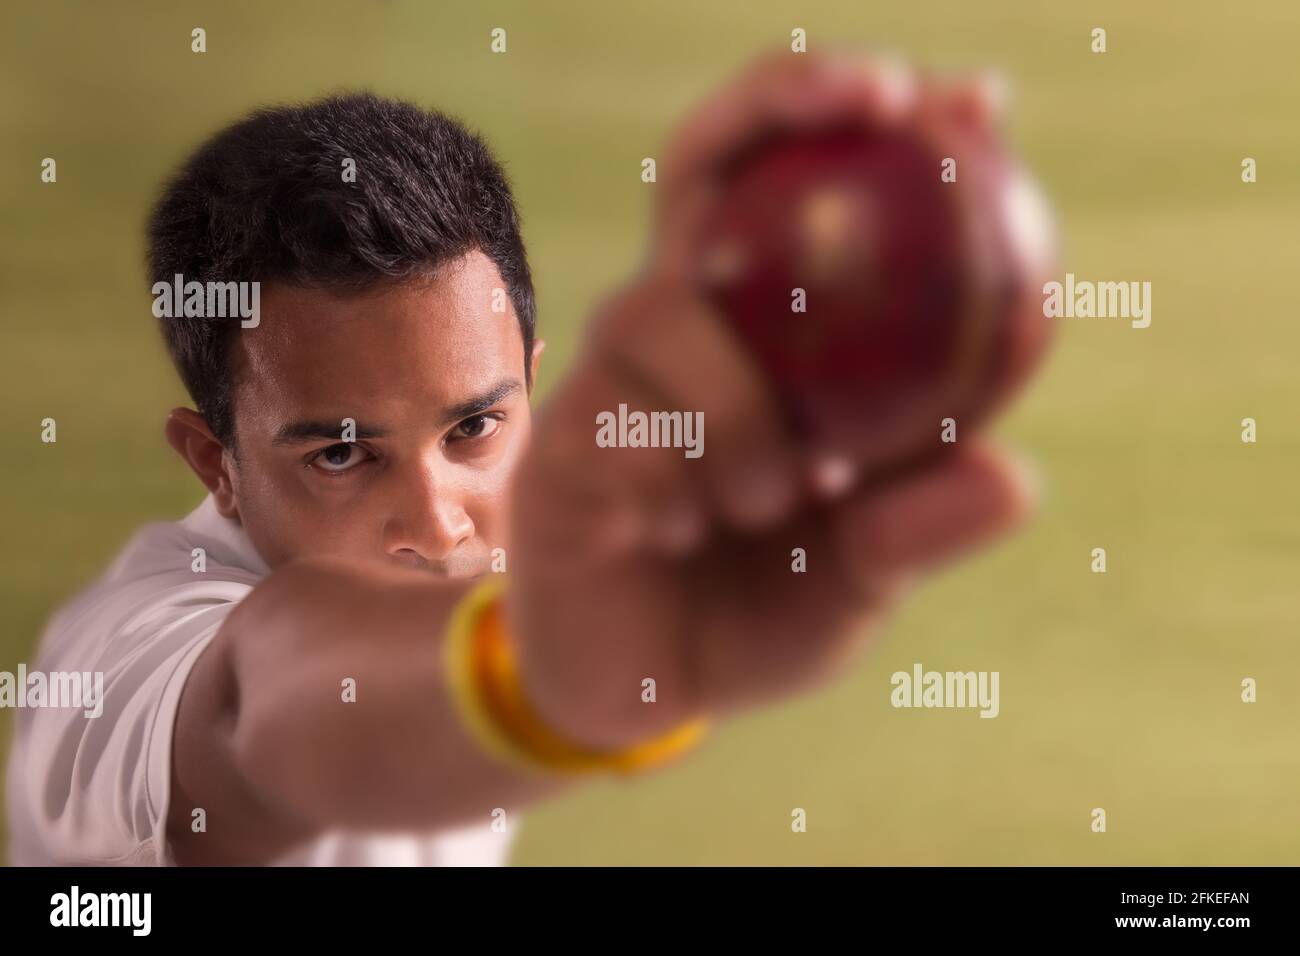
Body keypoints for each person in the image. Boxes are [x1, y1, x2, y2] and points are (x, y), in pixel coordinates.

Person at [6, 53, 1034, 866]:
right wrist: (545, 674)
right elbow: (256, 701)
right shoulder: (121, 665)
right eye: (339, 455)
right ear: (214, 462)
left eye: (473, 431)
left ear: (531, 388)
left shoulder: (481, 629)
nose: (440, 520)